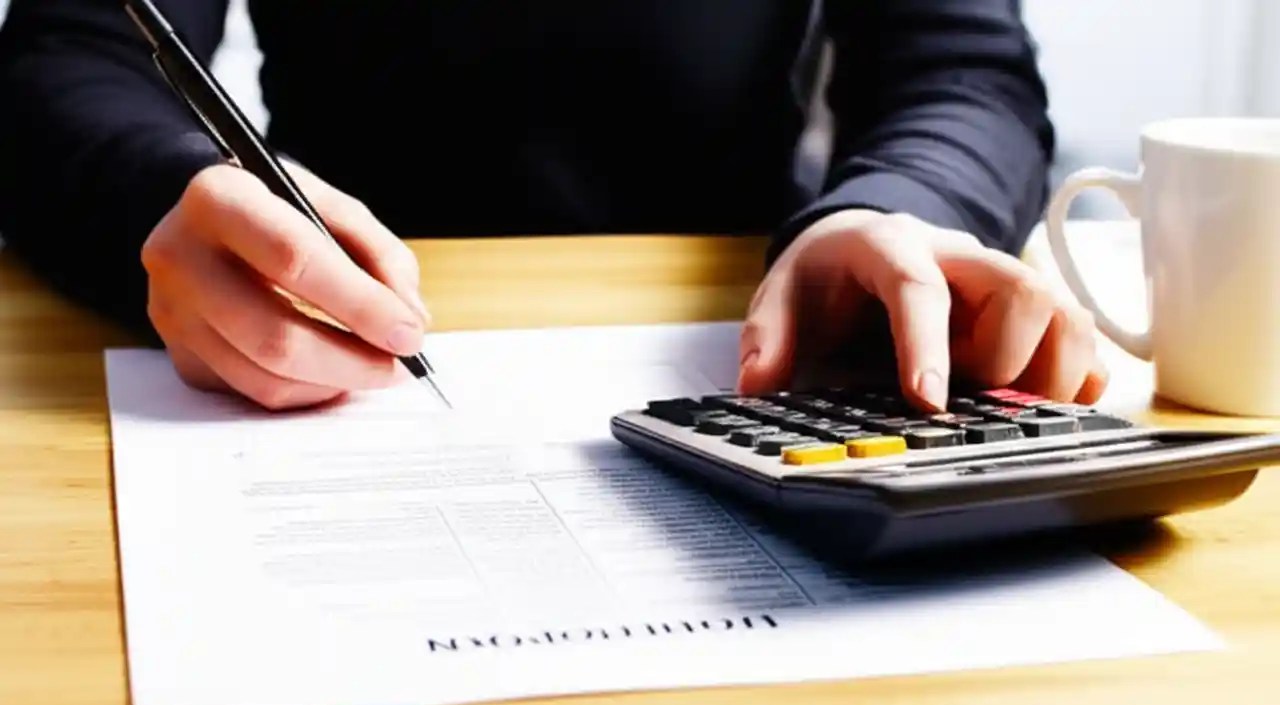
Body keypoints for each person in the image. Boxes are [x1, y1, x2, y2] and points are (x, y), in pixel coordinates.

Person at [0, 1, 1107, 412]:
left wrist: (884, 211)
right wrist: (165, 191)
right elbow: (74, 56)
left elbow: (962, 72)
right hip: (323, 303)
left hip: (756, 329)